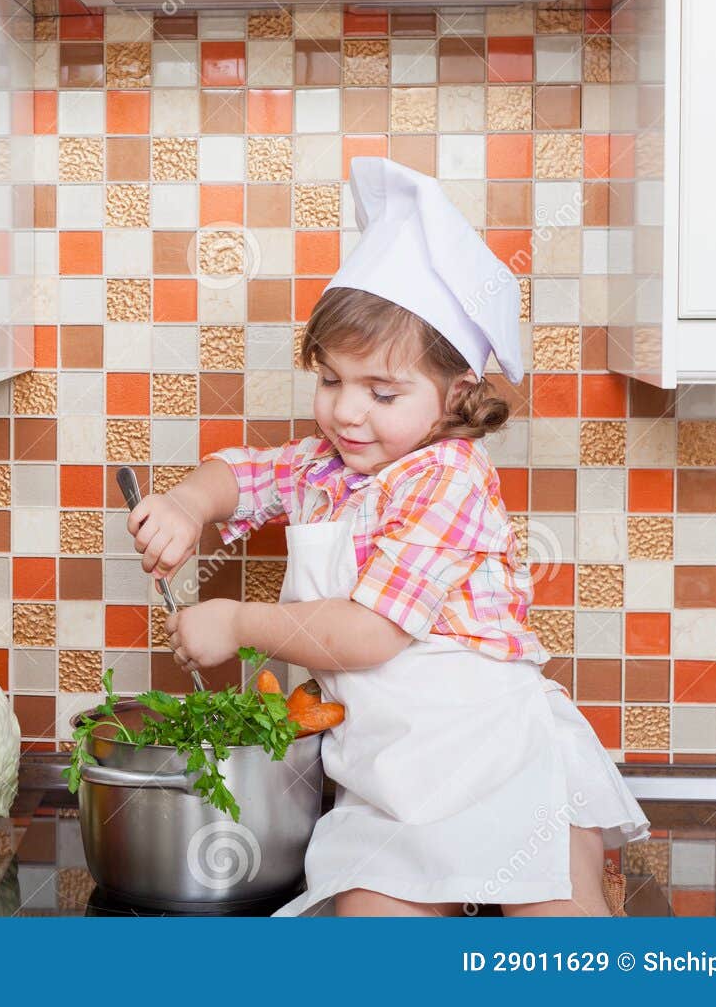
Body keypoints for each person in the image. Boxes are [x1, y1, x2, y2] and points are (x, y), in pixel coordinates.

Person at [127, 156, 650, 917]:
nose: (347, 412)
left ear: (456, 394)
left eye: (382, 391)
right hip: (386, 787)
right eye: (331, 379)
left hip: (503, 767)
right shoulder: (323, 466)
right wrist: (185, 503)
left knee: (561, 941)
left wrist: (235, 622)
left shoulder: (449, 477)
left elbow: (370, 634)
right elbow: (240, 474)